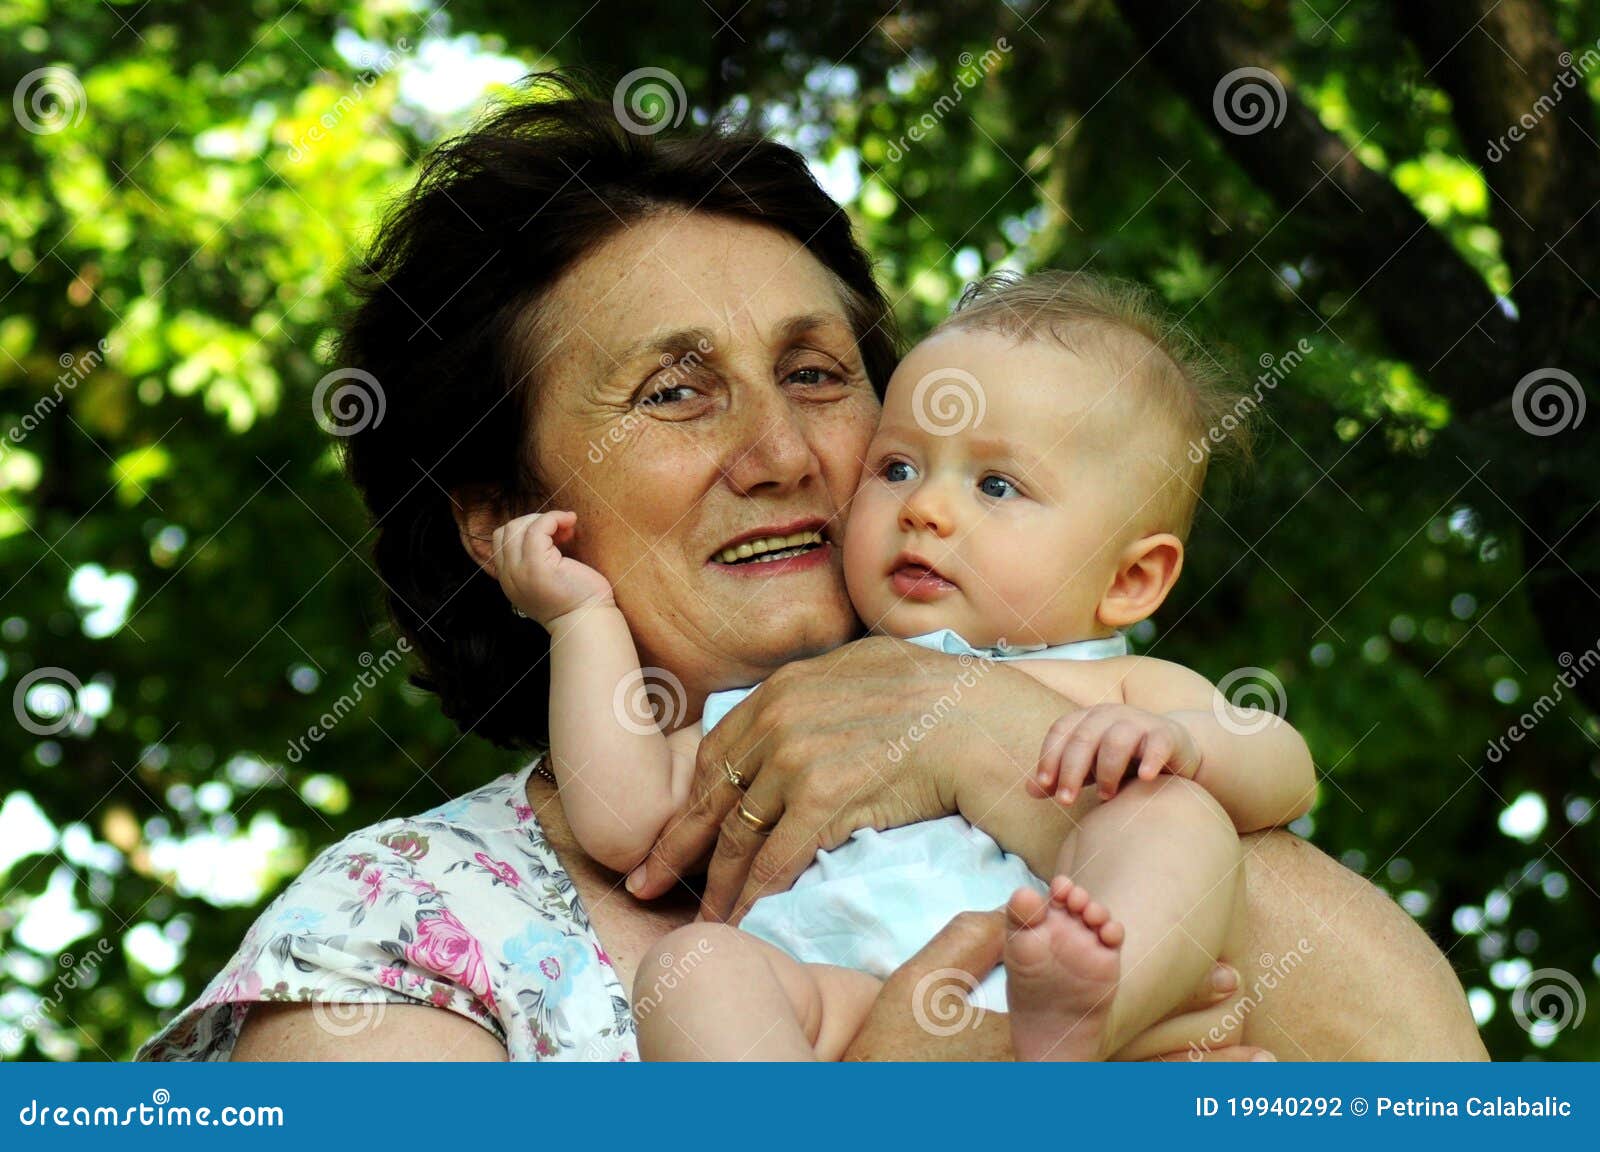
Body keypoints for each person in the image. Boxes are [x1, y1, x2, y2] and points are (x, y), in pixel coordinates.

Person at [137, 75, 1486, 1062]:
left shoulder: (1094, 760)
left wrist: (976, 733)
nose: (781, 450)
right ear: (507, 520)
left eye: (818, 376)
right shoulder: (407, 927)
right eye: (677, 391)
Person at [496, 270, 1317, 1061]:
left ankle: (1087, 1013)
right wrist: (583, 619)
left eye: (997, 484)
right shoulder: (804, 703)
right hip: (844, 1007)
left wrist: (1180, 746)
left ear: (1131, 579)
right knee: (690, 970)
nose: (924, 507)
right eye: (896, 469)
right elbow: (624, 816)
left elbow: (1288, 772)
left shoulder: (1123, 689)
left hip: (1028, 974)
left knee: (1176, 815)